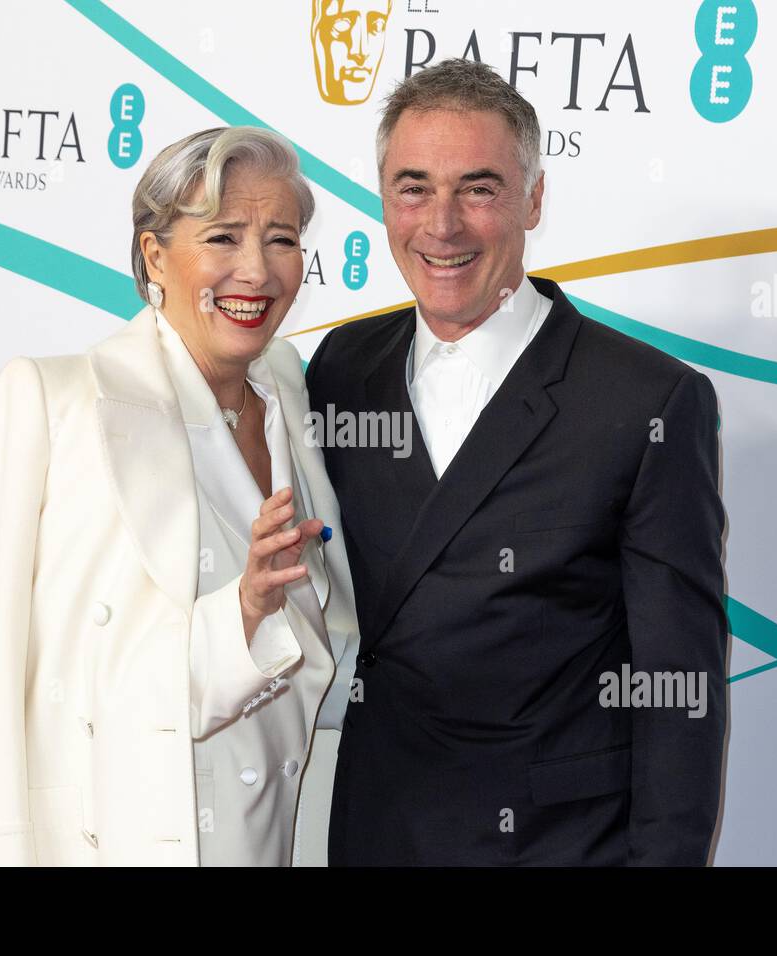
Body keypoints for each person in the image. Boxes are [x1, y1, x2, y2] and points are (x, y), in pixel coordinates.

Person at [306, 59, 728, 865]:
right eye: (414, 187)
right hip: (376, 830)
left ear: (533, 198)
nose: (442, 225)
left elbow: (680, 692)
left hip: (558, 845)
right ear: (383, 198)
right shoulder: (341, 366)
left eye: (479, 188)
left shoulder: (646, 401)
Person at [0, 126, 359, 866]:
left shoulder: (289, 384)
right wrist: (247, 609)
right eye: (223, 238)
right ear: (155, 255)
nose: (255, 272)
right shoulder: (55, 400)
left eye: (282, 239)